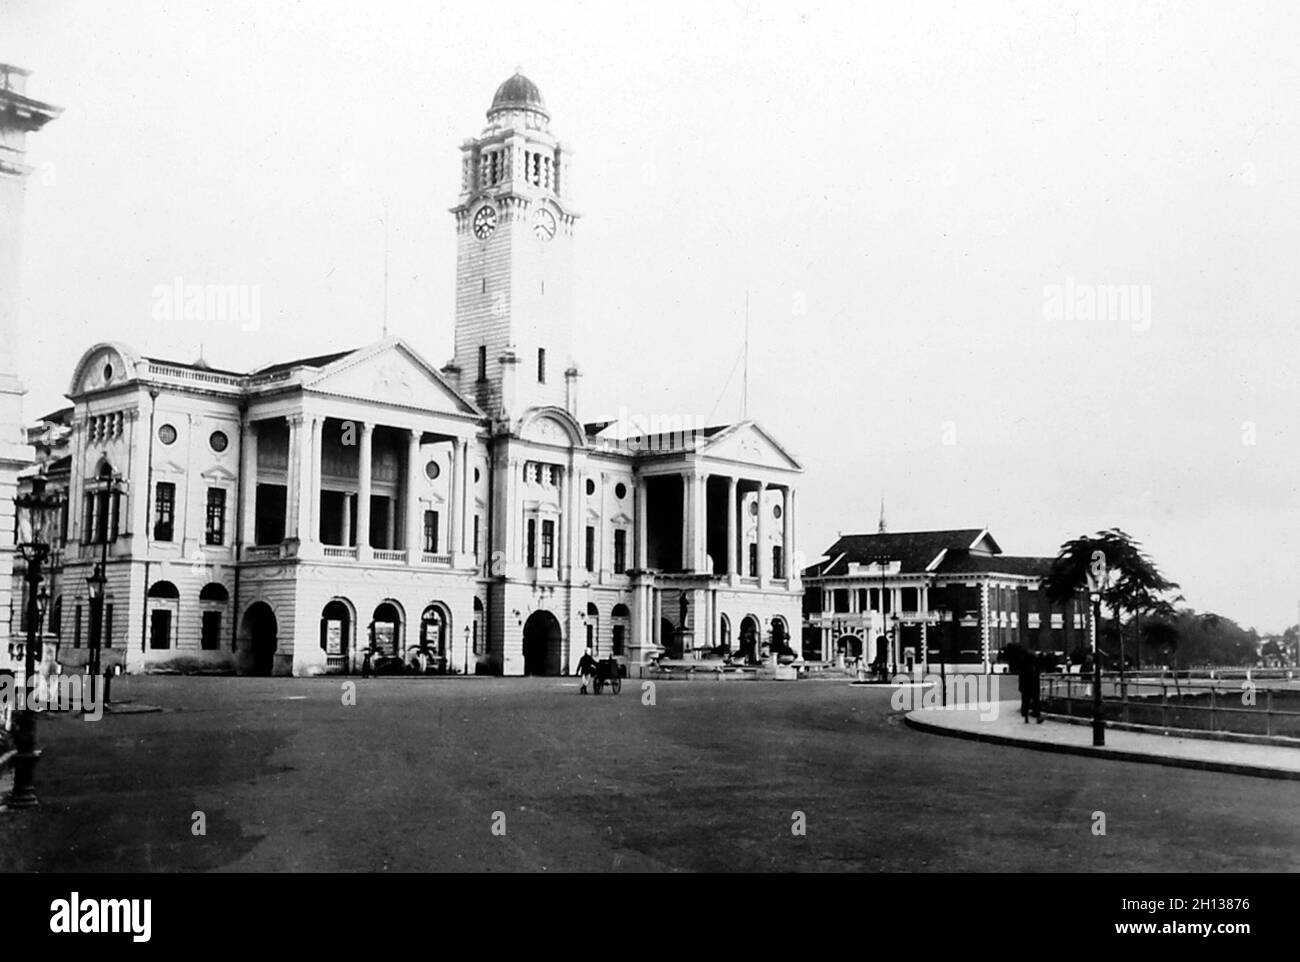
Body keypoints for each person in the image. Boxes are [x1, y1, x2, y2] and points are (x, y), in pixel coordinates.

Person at [1019, 650, 1043, 723]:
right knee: (1036, 702)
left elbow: (1021, 678)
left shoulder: (1023, 667)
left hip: (1025, 687)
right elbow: (1037, 678)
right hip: (1033, 687)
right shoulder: (1034, 667)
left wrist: (1020, 687)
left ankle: (1026, 717)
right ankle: (1037, 716)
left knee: (1025, 702)